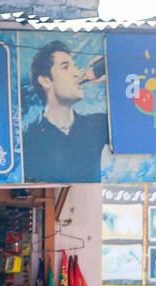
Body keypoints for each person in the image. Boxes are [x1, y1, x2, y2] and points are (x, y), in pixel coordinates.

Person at [22, 40, 109, 183]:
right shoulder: (28, 138)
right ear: (45, 81)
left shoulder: (97, 124)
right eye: (66, 67)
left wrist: (113, 77)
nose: (76, 73)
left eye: (75, 67)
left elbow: (142, 124)